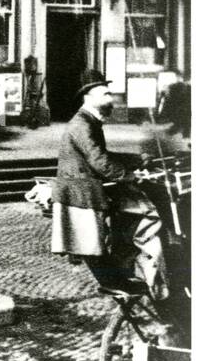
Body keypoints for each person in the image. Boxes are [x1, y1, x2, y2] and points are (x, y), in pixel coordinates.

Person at [51, 71, 165, 299]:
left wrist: (136, 159)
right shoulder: (82, 124)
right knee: (89, 244)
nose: (110, 99)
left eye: (109, 93)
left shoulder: (90, 121)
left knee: (94, 241)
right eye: (105, 94)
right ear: (88, 97)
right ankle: (114, 284)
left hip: (84, 190)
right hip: (79, 193)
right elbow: (99, 161)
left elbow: (103, 154)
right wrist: (130, 176)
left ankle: (118, 281)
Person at [22, 55, 48, 129]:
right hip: (32, 93)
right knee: (32, 105)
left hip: (35, 93)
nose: (32, 66)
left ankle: (34, 120)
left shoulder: (38, 75)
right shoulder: (29, 75)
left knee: (35, 106)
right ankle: (31, 120)